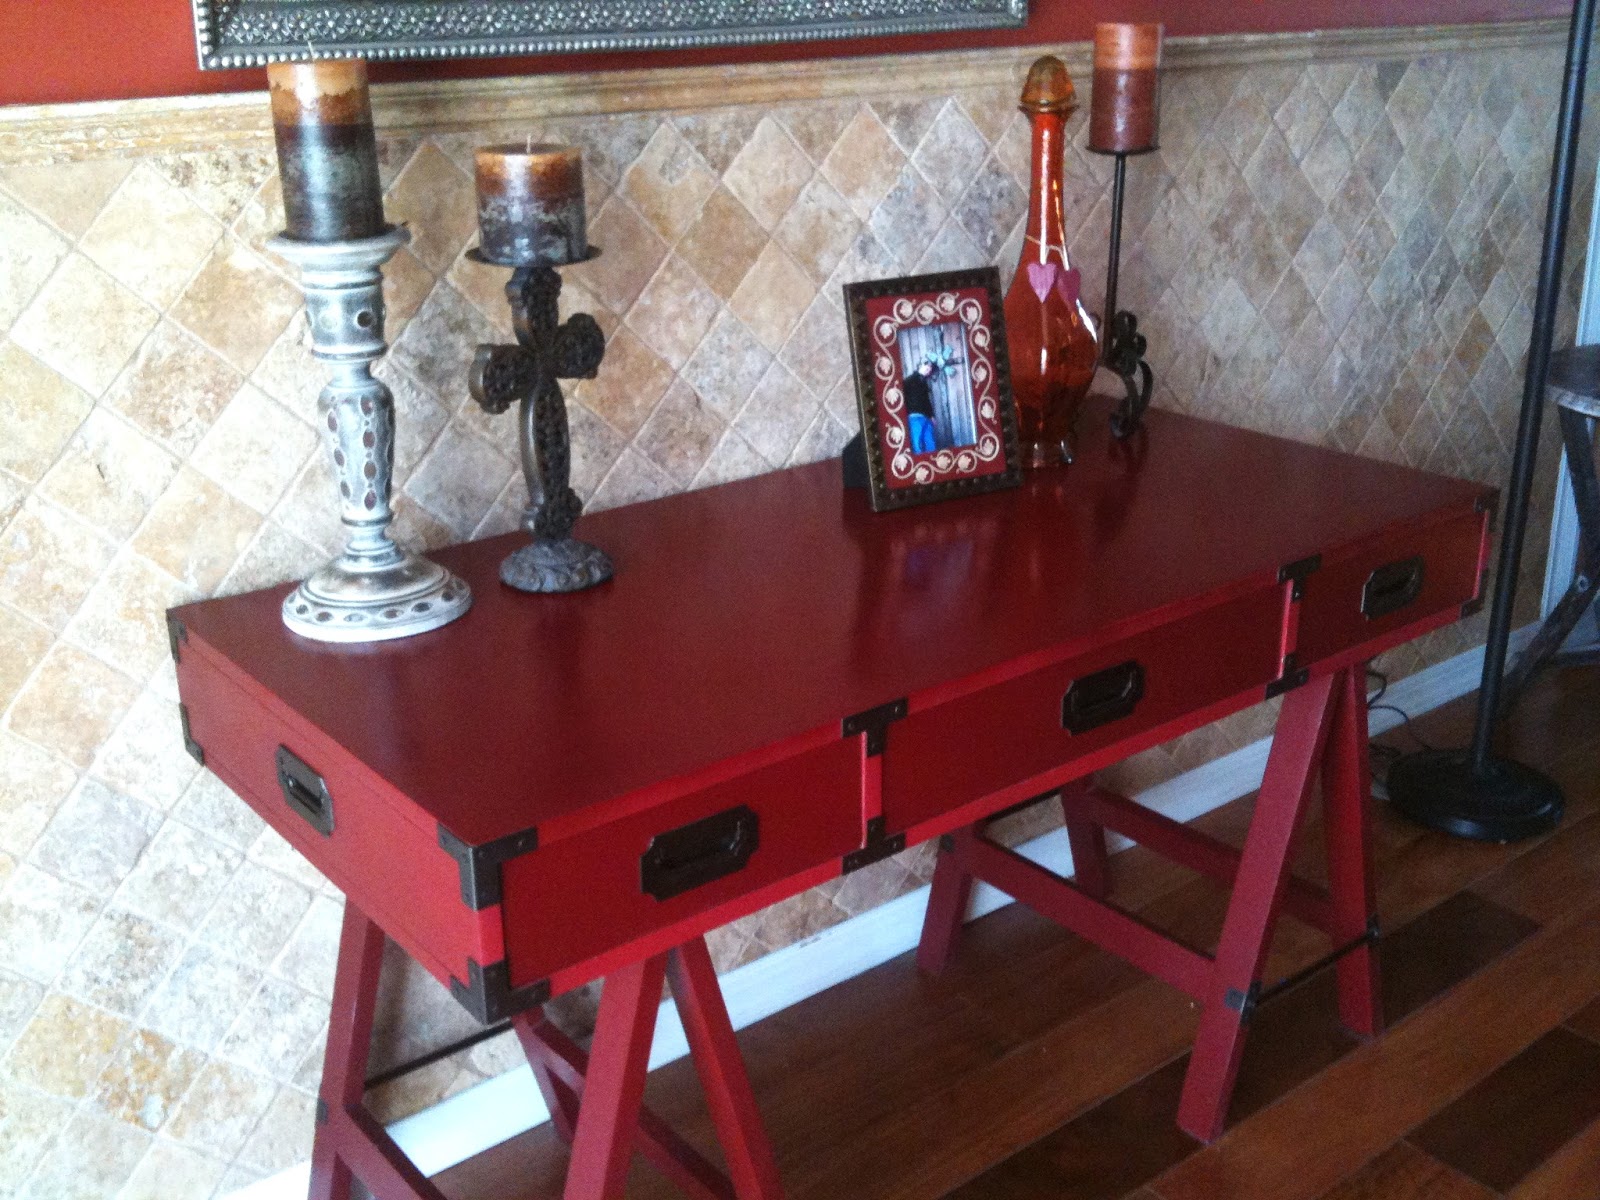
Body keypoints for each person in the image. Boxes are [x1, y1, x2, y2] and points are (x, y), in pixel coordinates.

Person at [903, 359, 938, 454]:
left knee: (930, 442)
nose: (929, 370)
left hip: (925, 417)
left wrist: (931, 416)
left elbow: (927, 401)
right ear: (921, 365)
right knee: (917, 443)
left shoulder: (924, 383)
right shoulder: (908, 381)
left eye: (930, 370)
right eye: (927, 367)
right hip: (914, 416)